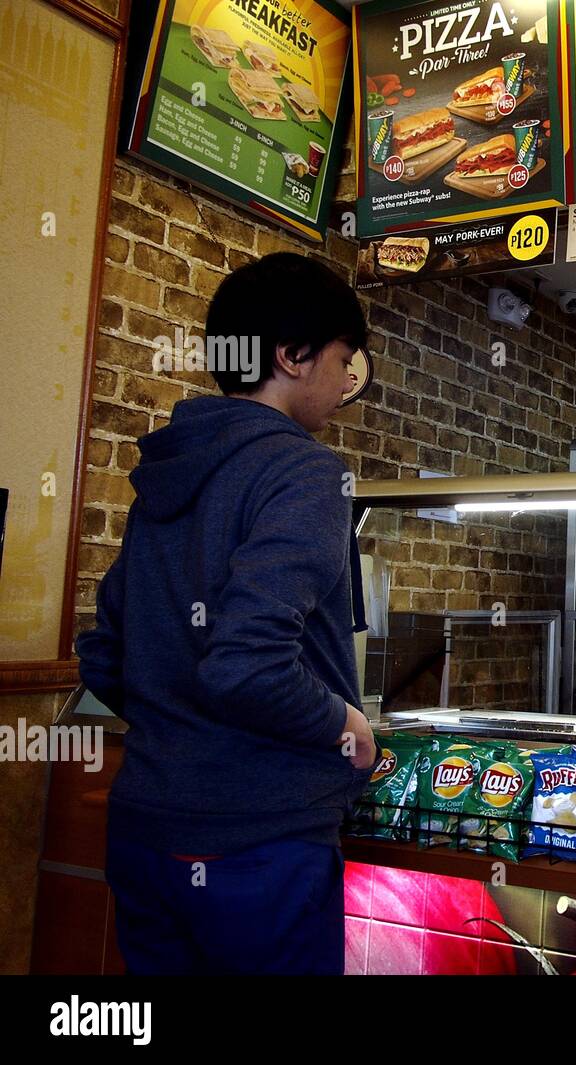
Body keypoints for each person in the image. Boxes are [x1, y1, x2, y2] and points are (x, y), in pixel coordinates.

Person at [76, 253, 378, 974]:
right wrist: (348, 726)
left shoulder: (171, 464)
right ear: (293, 355)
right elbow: (247, 665)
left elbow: (105, 654)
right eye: (343, 359)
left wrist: (181, 728)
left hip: (146, 831)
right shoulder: (305, 470)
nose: (346, 382)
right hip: (260, 841)